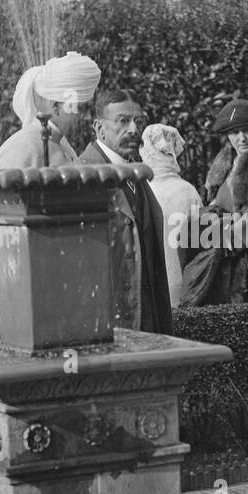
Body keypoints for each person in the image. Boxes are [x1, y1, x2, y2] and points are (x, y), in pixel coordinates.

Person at [0, 52, 102, 339]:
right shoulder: (22, 147)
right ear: (56, 105)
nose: (84, 116)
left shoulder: (65, 146)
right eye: (79, 107)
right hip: (17, 285)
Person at [179, 98, 248, 306]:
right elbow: (214, 204)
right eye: (233, 133)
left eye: (247, 130)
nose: (241, 138)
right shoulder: (226, 161)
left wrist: (222, 231)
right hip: (224, 260)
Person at [80, 89, 173, 335]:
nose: (133, 129)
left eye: (138, 121)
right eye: (123, 121)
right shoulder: (82, 177)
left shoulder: (135, 174)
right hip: (107, 325)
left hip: (147, 322)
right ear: (100, 128)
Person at [140, 124, 201, 308]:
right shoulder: (189, 191)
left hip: (151, 288)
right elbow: (199, 244)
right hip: (185, 287)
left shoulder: (142, 191)